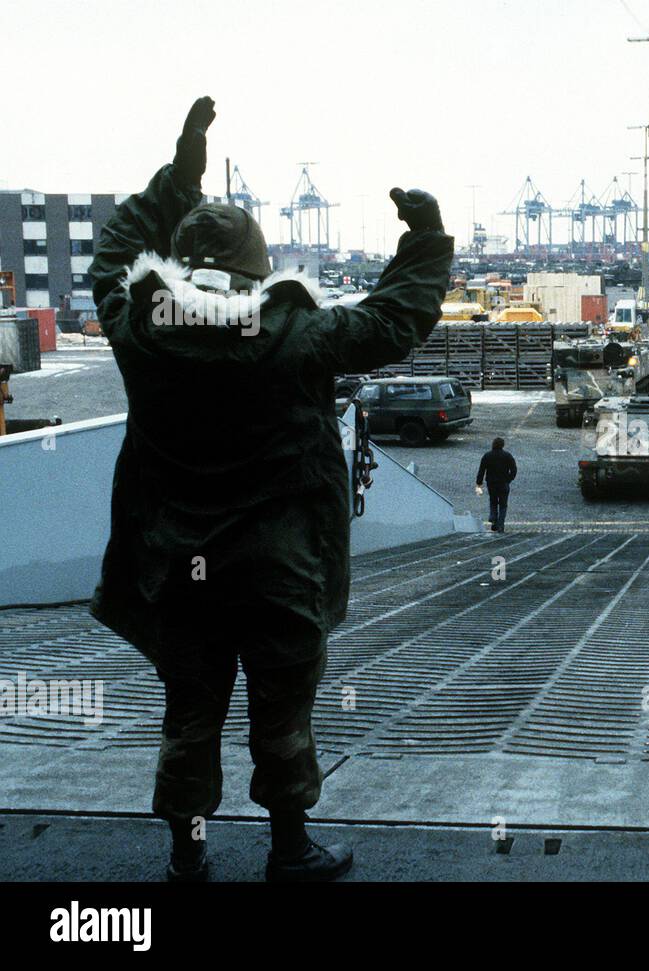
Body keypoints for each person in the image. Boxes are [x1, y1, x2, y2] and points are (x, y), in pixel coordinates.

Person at [88, 96, 453, 882]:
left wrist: (176, 181)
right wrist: (423, 241)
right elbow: (395, 320)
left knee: (190, 712)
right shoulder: (297, 335)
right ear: (259, 267)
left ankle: (187, 856)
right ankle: (290, 850)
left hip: (179, 568)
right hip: (275, 568)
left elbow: (111, 256)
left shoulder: (139, 330)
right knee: (282, 710)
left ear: (182, 267)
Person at [475, 437, 517, 532]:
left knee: (493, 501)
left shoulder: (487, 456)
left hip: (491, 483)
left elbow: (481, 470)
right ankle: (501, 525)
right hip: (503, 483)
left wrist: (479, 483)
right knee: (503, 505)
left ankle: (493, 518)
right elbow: (514, 470)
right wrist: (509, 479)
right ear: (502, 445)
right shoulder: (507, 456)